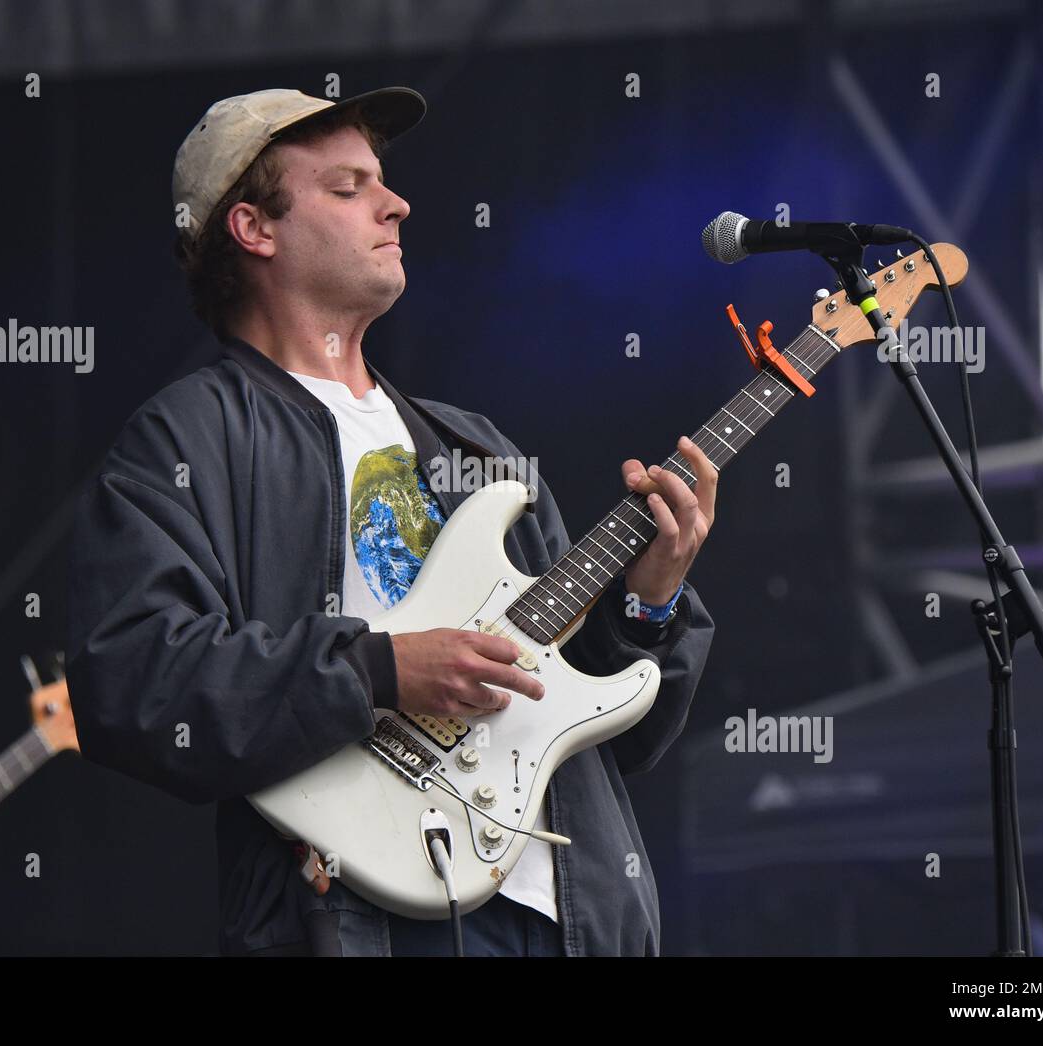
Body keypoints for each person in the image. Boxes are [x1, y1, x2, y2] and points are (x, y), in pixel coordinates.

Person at [66, 86, 717, 956]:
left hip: (570, 916)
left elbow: (598, 723)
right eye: (347, 187)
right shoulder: (188, 438)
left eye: (385, 182)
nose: (397, 202)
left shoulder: (478, 450)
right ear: (254, 229)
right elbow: (131, 683)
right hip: (359, 917)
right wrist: (376, 670)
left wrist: (648, 605)